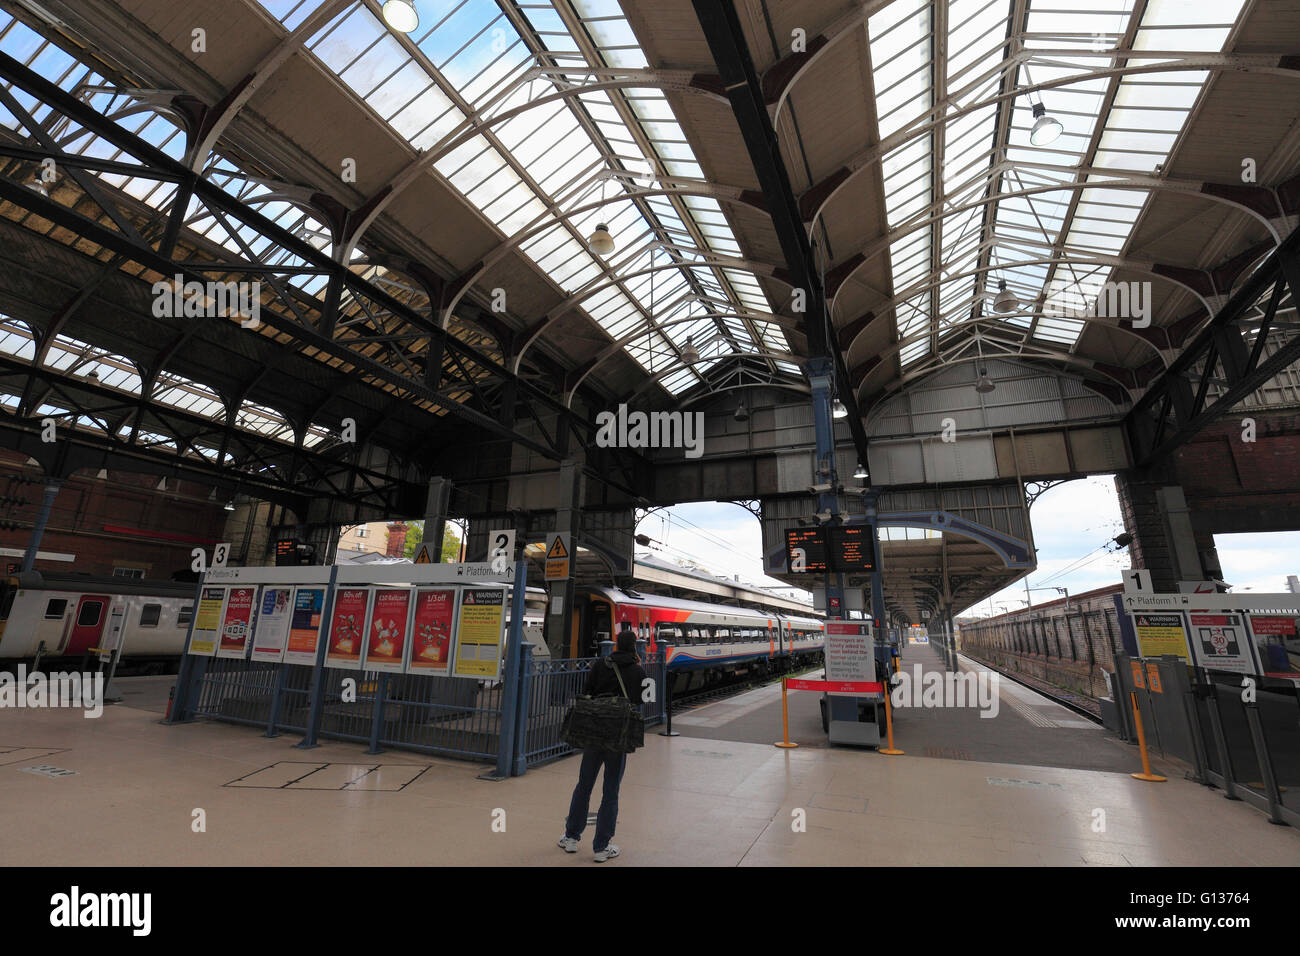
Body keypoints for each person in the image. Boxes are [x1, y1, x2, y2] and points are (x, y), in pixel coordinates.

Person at [558, 626, 647, 862]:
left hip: (594, 733)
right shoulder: (638, 670)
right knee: (610, 791)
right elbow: (648, 698)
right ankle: (601, 847)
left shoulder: (600, 664)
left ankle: (571, 838)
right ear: (635, 646)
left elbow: (586, 691)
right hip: (618, 736)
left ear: (616, 645)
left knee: (584, 785)